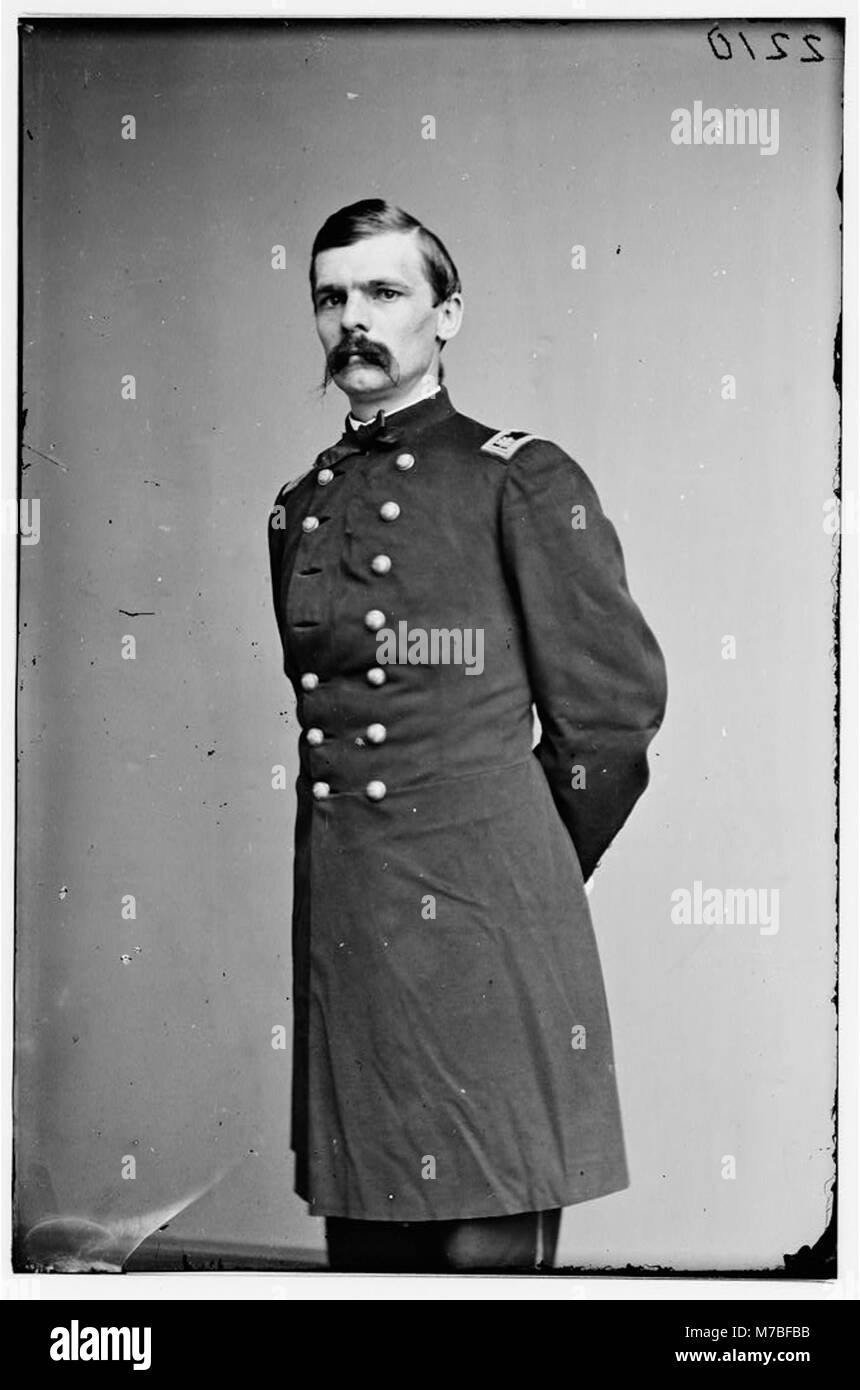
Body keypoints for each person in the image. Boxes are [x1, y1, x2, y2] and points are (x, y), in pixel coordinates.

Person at [268, 199, 668, 1273]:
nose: (353, 318)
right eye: (331, 296)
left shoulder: (517, 478)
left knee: (479, 1279)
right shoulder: (296, 507)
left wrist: (527, 867)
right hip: (354, 942)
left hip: (488, 936)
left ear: (446, 315)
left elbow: (611, 716)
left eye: (384, 292)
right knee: (367, 1268)